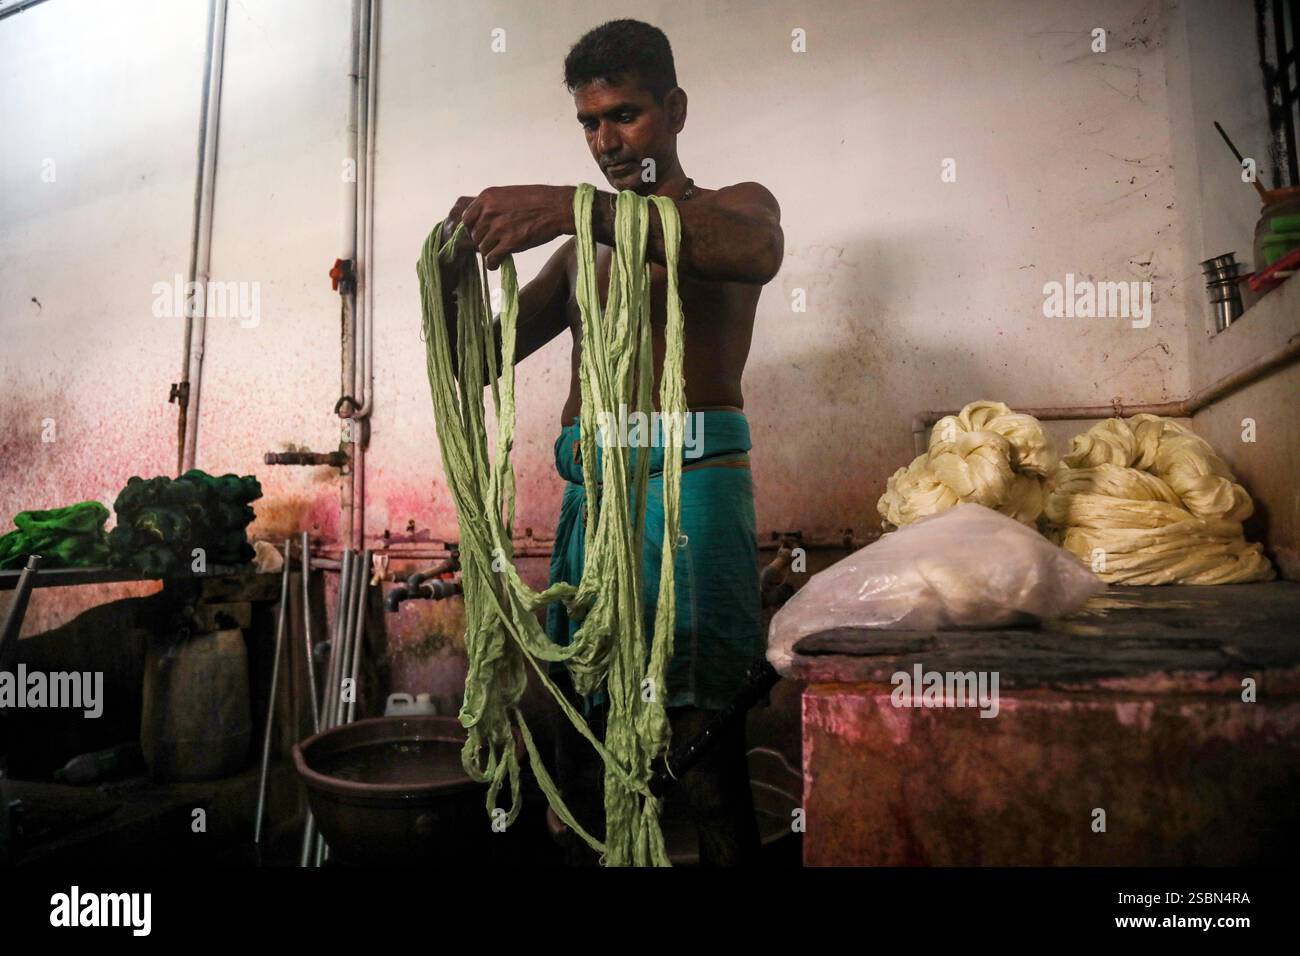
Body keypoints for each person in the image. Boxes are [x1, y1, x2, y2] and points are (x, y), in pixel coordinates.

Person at [438, 18, 783, 866]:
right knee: (582, 721)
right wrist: (448, 273)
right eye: (590, 124)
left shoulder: (736, 207)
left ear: (675, 108)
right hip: (591, 499)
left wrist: (566, 208)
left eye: (624, 115)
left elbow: (756, 252)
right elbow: (476, 358)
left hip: (692, 491)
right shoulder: (583, 256)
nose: (606, 141)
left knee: (701, 739)